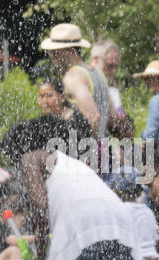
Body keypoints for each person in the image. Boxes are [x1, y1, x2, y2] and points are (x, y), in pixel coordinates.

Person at [39, 23, 109, 168]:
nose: (51, 56)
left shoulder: (73, 77)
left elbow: (94, 117)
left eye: (56, 51)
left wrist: (88, 155)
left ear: (71, 50)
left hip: (88, 154)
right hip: (103, 149)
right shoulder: (97, 73)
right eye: (51, 51)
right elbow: (114, 118)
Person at [90, 39, 134, 139]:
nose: (113, 71)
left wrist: (124, 123)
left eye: (116, 66)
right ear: (96, 59)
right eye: (109, 65)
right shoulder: (82, 80)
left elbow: (118, 119)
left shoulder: (113, 92)